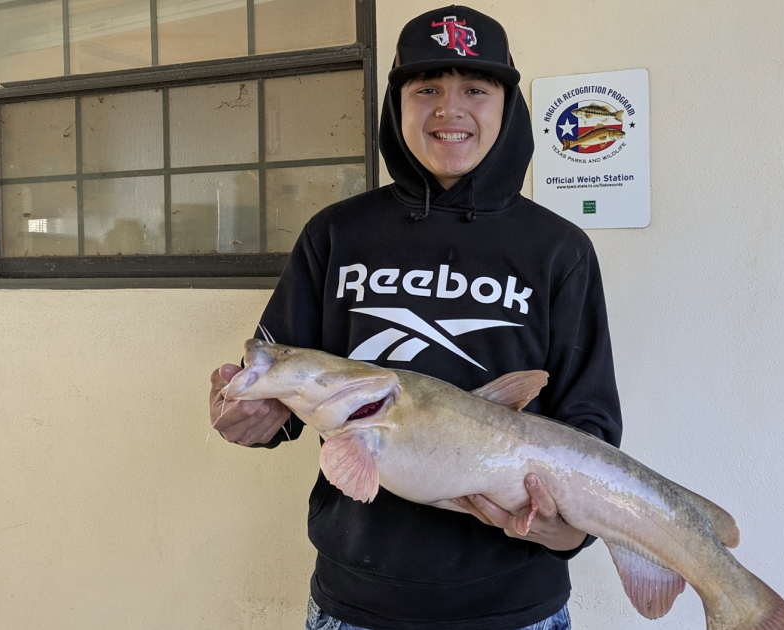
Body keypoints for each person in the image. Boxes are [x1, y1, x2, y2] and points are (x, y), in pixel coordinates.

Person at [209, 6, 622, 629]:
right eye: (425, 87)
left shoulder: (559, 248)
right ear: (395, 103)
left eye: (474, 90)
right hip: (356, 606)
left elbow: (589, 421)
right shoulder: (336, 233)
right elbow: (281, 384)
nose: (447, 110)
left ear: (507, 106)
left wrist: (567, 532)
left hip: (516, 607)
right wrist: (245, 415)